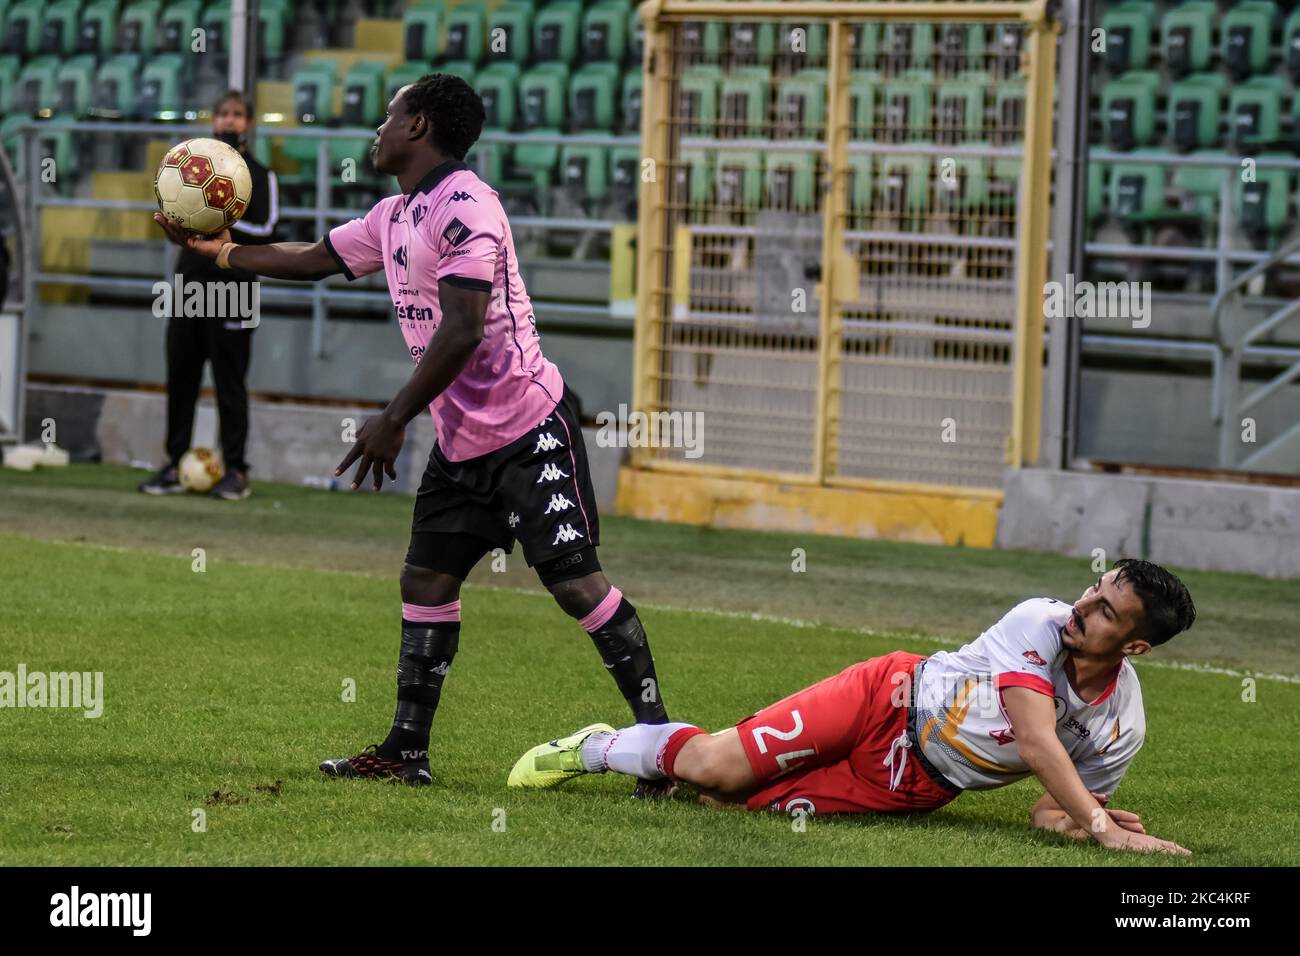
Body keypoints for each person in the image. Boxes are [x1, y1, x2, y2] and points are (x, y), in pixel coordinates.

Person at [152, 73, 672, 795]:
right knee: (425, 577)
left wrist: (393, 419)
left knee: (575, 584)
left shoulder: (468, 208)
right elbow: (313, 260)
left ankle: (661, 744)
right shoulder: (397, 214)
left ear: (419, 126)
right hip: (462, 442)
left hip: (527, 426)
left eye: (389, 116)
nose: (379, 128)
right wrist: (223, 254)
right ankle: (405, 751)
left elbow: (461, 329)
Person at [509, 559, 1198, 855]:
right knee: (716, 767)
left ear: (1134, 647)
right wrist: (1102, 824)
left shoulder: (1121, 727)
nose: (1082, 605)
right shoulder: (1040, 621)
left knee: (721, 802)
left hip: (909, 784)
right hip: (884, 696)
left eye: (1106, 610)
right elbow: (1035, 737)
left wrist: (1080, 825)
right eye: (1093, 587)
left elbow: (1048, 809)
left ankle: (679, 765)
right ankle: (596, 748)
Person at [140, 90, 279, 500]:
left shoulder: (260, 175)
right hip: (189, 288)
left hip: (235, 289)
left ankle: (236, 470)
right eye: (223, 114)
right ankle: (174, 460)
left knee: (229, 381)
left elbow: (269, 230)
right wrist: (188, 228)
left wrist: (218, 233)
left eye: (237, 114)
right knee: (180, 375)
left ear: (249, 123)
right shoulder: (189, 168)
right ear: (213, 119)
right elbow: (173, 219)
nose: (229, 121)